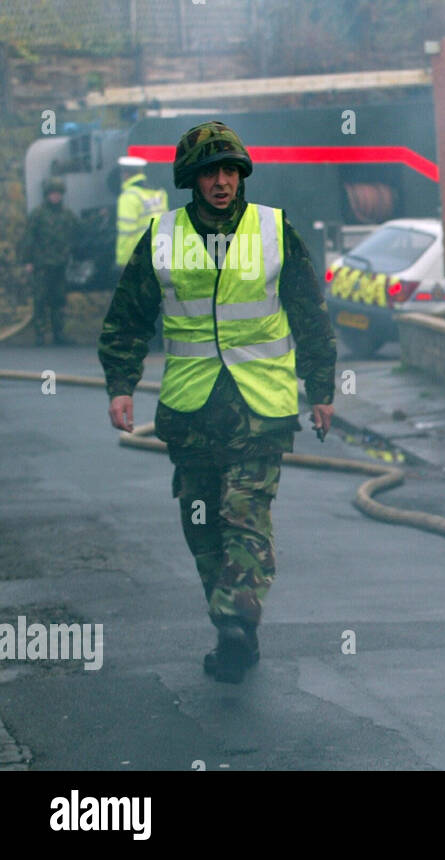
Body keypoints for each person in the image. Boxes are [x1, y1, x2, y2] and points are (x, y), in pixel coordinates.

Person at [98, 121, 338, 684]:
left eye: (230, 170)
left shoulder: (275, 231)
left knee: (244, 514)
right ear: (192, 179)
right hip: (190, 413)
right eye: (211, 172)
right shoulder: (161, 236)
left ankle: (233, 621)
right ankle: (237, 633)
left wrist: (322, 390)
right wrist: (120, 386)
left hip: (261, 409)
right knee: (201, 522)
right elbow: (126, 321)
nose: (223, 181)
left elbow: (310, 313)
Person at [19, 176, 81, 345]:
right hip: (42, 264)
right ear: (47, 195)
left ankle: (58, 333)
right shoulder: (38, 214)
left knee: (59, 299)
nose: (55, 197)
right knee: (40, 299)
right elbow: (29, 238)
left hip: (60, 264)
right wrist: (28, 261)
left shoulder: (67, 214)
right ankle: (40, 334)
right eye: (53, 193)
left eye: (58, 194)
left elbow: (78, 230)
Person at [115, 155, 169, 269]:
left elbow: (127, 232)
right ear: (140, 171)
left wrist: (123, 261)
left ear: (125, 174)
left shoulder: (129, 196)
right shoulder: (158, 193)